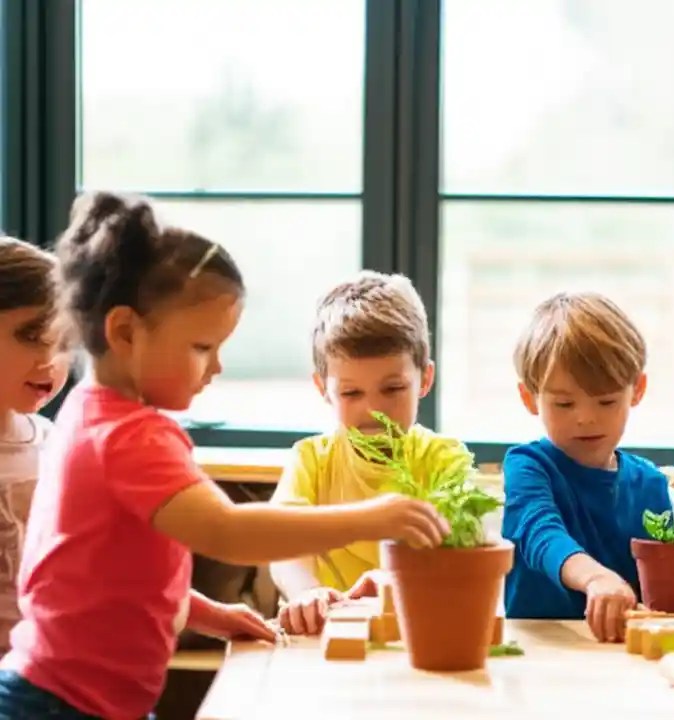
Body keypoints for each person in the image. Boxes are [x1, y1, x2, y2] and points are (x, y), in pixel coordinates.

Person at [0, 193, 450, 720]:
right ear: (125, 332)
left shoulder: (87, 413)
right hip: (62, 704)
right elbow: (228, 531)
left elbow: (106, 576)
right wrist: (372, 517)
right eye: (201, 347)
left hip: (78, 693)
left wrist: (207, 613)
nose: (215, 368)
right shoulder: (128, 437)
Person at [271, 270, 466, 635]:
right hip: (324, 638)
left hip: (414, 636)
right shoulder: (311, 459)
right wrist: (307, 593)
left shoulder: (445, 460)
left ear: (424, 379)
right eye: (351, 394)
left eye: (392, 389)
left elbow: (459, 558)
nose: (374, 411)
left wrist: (397, 579)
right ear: (322, 388)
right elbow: (283, 546)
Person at [502, 291, 674, 643]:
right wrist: (595, 578)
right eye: (564, 404)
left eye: (606, 401)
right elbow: (540, 534)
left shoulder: (650, 483)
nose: (586, 418)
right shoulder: (529, 466)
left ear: (637, 390)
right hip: (538, 652)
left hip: (620, 655)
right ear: (530, 398)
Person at [0, 237, 71, 654]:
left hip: (50, 671)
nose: (50, 360)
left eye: (63, 340)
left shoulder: (52, 440)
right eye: (31, 336)